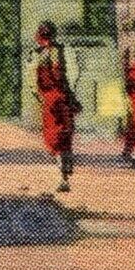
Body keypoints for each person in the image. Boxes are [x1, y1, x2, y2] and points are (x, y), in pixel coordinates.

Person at [33, 20, 81, 192]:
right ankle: (64, 171)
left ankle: (63, 175)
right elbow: (73, 75)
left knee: (55, 138)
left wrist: (40, 96)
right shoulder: (63, 51)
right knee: (64, 136)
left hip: (52, 101)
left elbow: (34, 82)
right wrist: (71, 95)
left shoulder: (38, 55)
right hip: (62, 98)